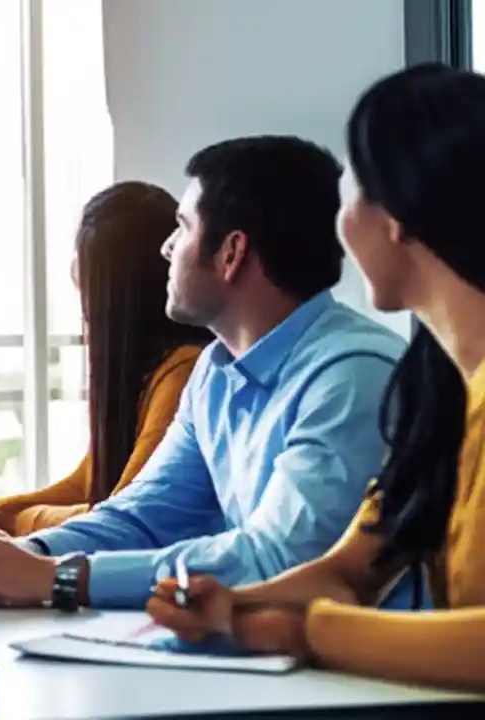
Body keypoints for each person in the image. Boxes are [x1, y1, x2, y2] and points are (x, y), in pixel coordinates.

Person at [0, 135, 407, 613]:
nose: (166, 248)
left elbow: (281, 560)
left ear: (231, 253)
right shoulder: (214, 372)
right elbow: (143, 516)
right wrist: (32, 551)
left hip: (377, 676)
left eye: (182, 228)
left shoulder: (352, 376)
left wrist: (61, 578)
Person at [146, 64, 485, 691]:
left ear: (401, 212)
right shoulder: (436, 389)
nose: (336, 224)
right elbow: (348, 572)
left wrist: (310, 633)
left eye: (352, 192)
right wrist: (229, 606)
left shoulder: (364, 370)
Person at [0, 182, 211, 537]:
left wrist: (13, 521)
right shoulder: (149, 369)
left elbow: (122, 516)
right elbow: (86, 483)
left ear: (114, 286)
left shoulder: (185, 372)